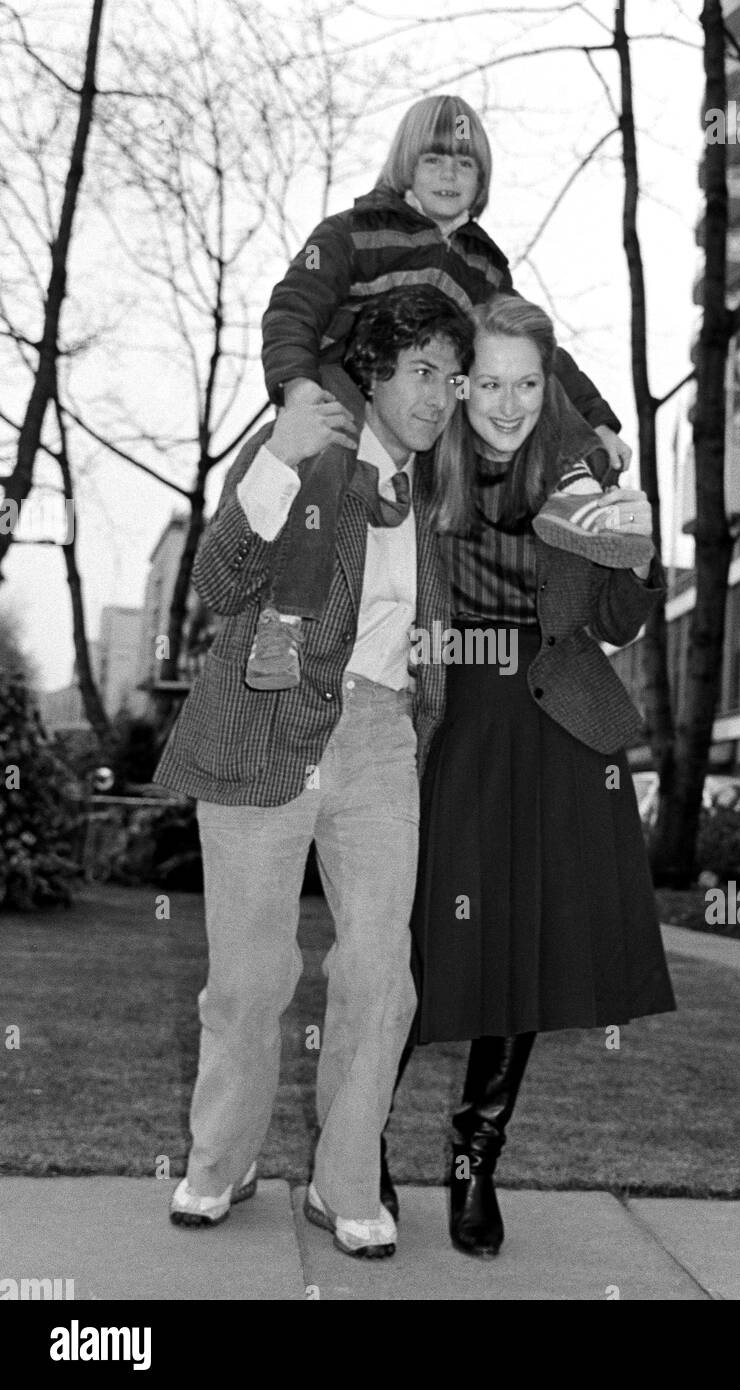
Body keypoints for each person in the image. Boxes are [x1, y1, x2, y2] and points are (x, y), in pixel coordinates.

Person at [153, 285, 473, 1260]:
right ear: (374, 371)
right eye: (422, 370)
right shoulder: (305, 437)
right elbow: (215, 584)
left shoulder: (424, 491)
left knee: (380, 974)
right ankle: (220, 1161)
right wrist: (281, 456)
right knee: (250, 977)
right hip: (267, 718)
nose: (441, 393)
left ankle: (344, 1185)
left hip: (375, 732)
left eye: (451, 377)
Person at [406, 294, 677, 1258]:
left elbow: (613, 621)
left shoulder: (576, 468)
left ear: (547, 382)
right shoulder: (415, 459)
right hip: (447, 710)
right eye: (489, 382)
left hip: (552, 713)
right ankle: (352, 1155)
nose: (508, 402)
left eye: (527, 382)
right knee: (414, 943)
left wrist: (641, 552)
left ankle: (475, 1161)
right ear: (459, 381)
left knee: (518, 948)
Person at [248, 92, 643, 693]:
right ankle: (287, 618)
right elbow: (294, 306)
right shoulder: (353, 232)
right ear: (405, 164)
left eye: (465, 164)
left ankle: (575, 494)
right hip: (350, 382)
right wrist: (298, 387)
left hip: (428, 408)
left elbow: (538, 353)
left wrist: (599, 423)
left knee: (517, 379)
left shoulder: (484, 268)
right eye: (434, 160)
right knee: (328, 452)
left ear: (482, 179)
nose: (449, 175)